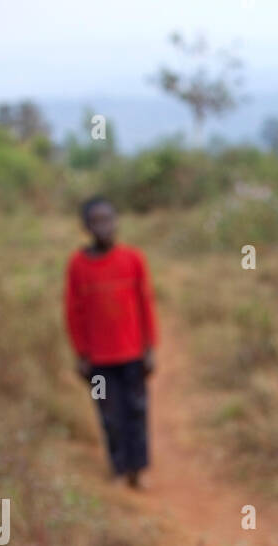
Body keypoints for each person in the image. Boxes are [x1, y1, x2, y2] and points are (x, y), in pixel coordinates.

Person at [64, 197, 157, 489]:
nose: (104, 226)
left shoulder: (133, 259)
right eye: (97, 221)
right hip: (99, 363)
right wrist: (81, 355)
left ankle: (137, 470)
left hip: (132, 356)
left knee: (136, 410)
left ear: (117, 222)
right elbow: (73, 312)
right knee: (109, 413)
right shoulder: (78, 266)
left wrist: (150, 348)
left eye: (108, 219)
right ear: (86, 227)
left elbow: (146, 304)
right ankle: (117, 468)